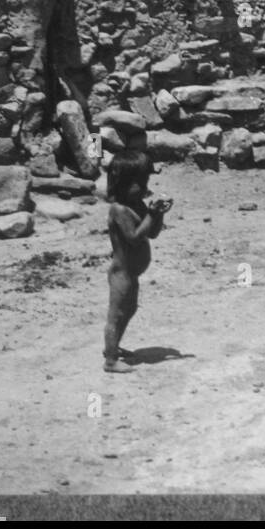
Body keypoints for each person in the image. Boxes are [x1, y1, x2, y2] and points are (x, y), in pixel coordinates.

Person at [103, 153, 172, 373]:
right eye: (139, 183)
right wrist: (150, 215)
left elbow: (152, 234)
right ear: (121, 184)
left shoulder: (137, 204)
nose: (143, 188)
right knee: (116, 315)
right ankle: (110, 361)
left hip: (132, 274)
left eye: (145, 183)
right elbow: (133, 238)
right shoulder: (119, 210)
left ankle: (113, 348)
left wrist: (157, 215)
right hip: (121, 274)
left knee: (129, 309)